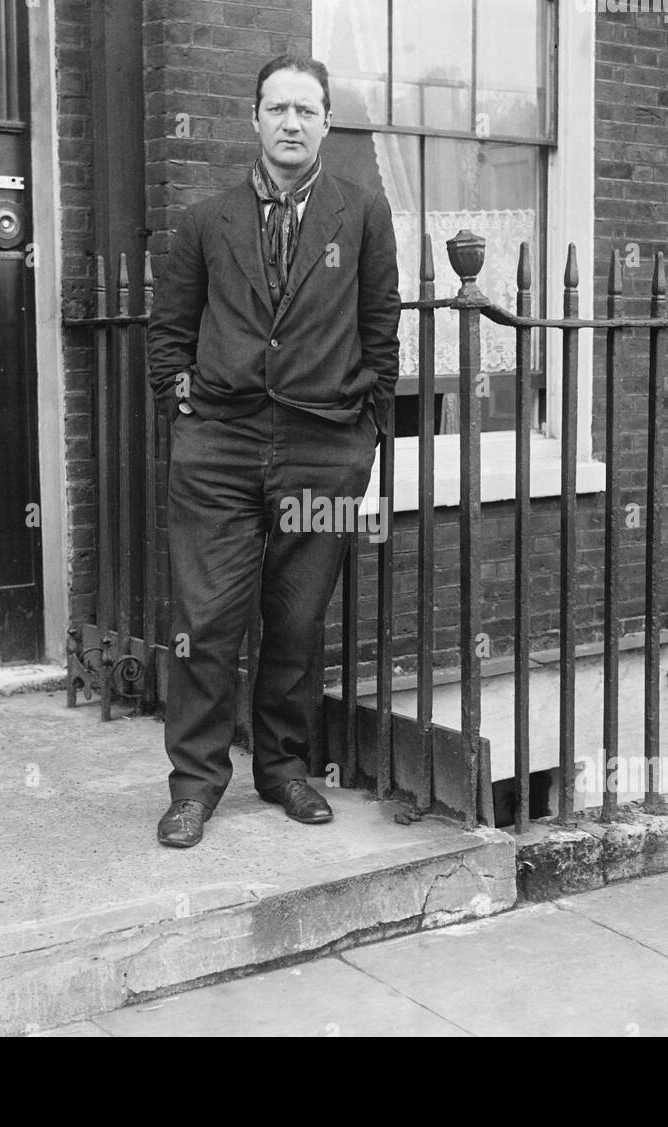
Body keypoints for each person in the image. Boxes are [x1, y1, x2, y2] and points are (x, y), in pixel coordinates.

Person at [146, 54, 401, 848]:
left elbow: (382, 332)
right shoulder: (205, 221)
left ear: (327, 123)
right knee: (207, 619)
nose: (291, 123)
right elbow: (168, 335)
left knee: (296, 619)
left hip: (323, 447)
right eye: (278, 109)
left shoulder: (361, 216)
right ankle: (194, 783)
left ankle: (285, 769)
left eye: (307, 110)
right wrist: (186, 412)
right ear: (254, 118)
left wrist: (364, 432)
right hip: (219, 445)